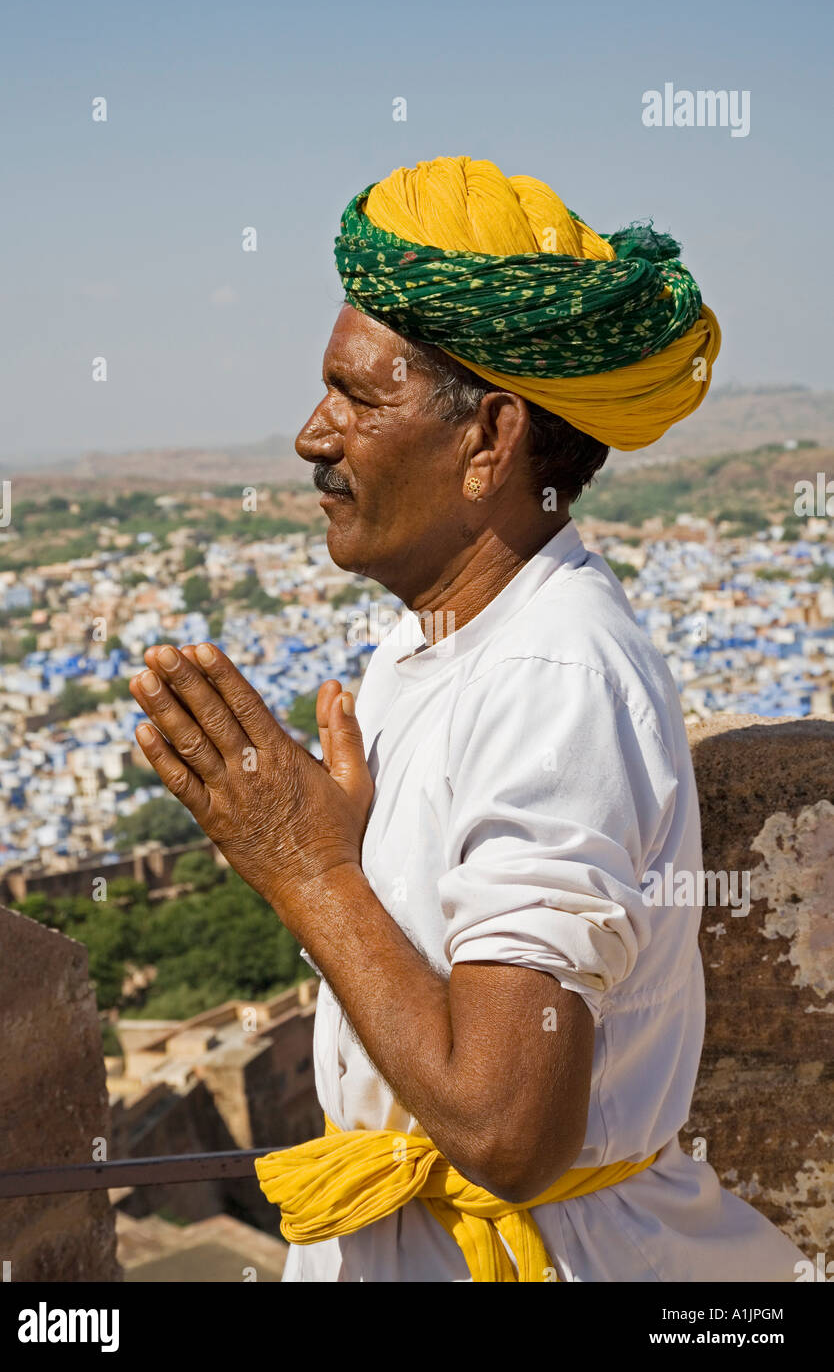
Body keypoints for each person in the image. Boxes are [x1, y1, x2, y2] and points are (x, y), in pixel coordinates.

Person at [129, 157, 804, 1282]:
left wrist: (304, 868)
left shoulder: (552, 678)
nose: (312, 433)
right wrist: (352, 853)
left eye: (356, 396)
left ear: (489, 441)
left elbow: (506, 1129)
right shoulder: (430, 640)